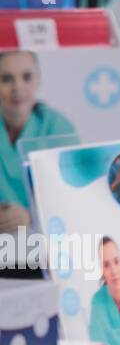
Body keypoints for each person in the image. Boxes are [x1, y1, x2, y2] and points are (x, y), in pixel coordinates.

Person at [0, 51, 77, 233]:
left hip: (47, 240)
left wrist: (31, 216)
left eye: (27, 77)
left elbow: (75, 197)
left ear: (38, 81)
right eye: (6, 79)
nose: (17, 88)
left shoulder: (58, 128)